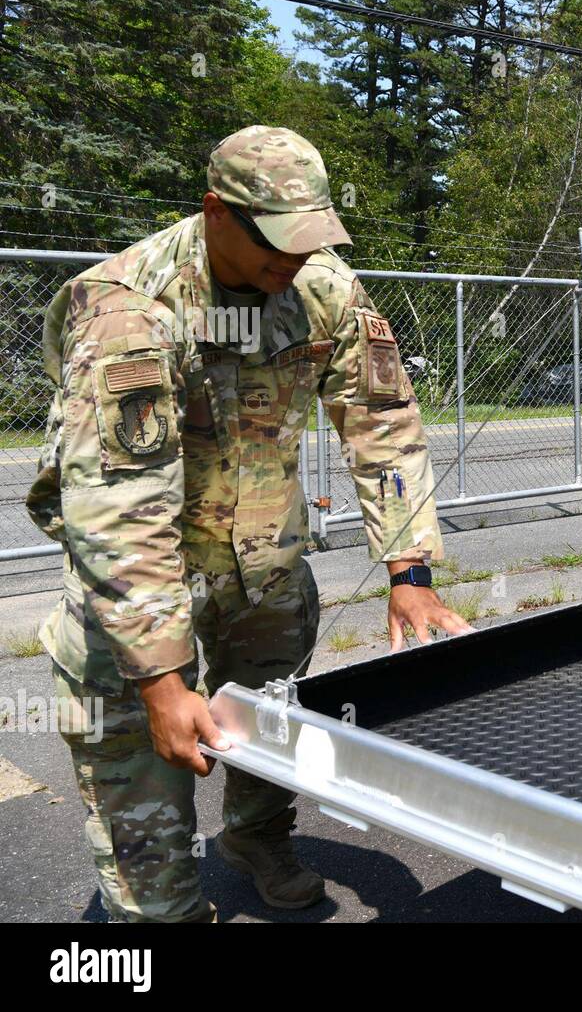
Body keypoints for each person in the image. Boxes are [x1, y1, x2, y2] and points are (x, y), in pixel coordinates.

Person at [25, 125, 471, 923]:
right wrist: (162, 676)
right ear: (216, 213)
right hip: (135, 599)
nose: (292, 264)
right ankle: (156, 911)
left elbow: (383, 421)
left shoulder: (319, 289)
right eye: (277, 244)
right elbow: (120, 508)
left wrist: (410, 573)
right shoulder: (128, 311)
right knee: (143, 799)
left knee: (267, 735)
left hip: (264, 572)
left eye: (310, 242)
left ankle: (255, 837)